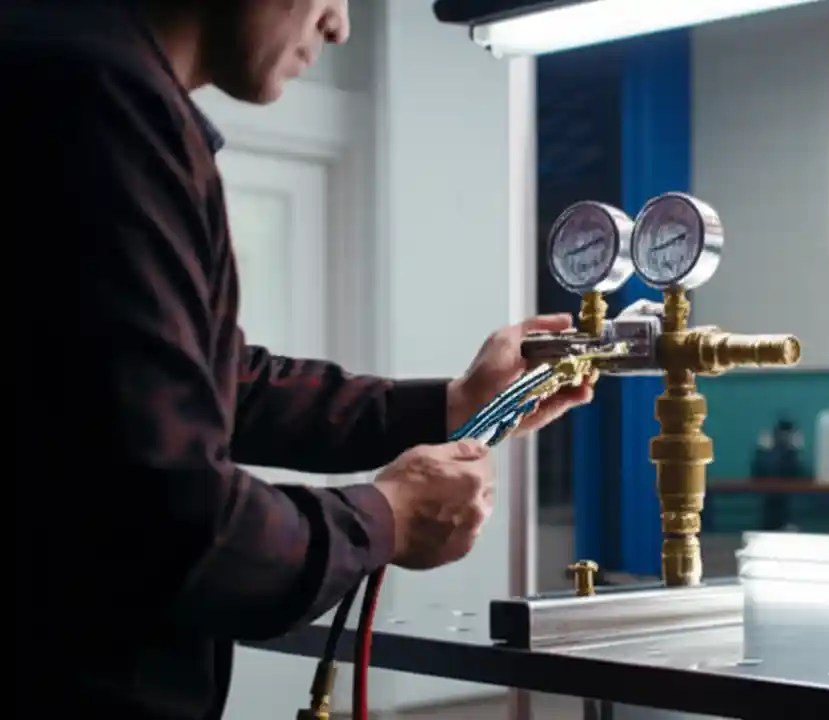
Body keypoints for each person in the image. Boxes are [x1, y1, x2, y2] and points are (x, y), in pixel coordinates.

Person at [2, 0, 590, 717]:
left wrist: (453, 403)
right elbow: (174, 519)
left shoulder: (73, 71)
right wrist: (385, 518)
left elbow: (217, 382)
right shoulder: (95, 99)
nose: (340, 25)